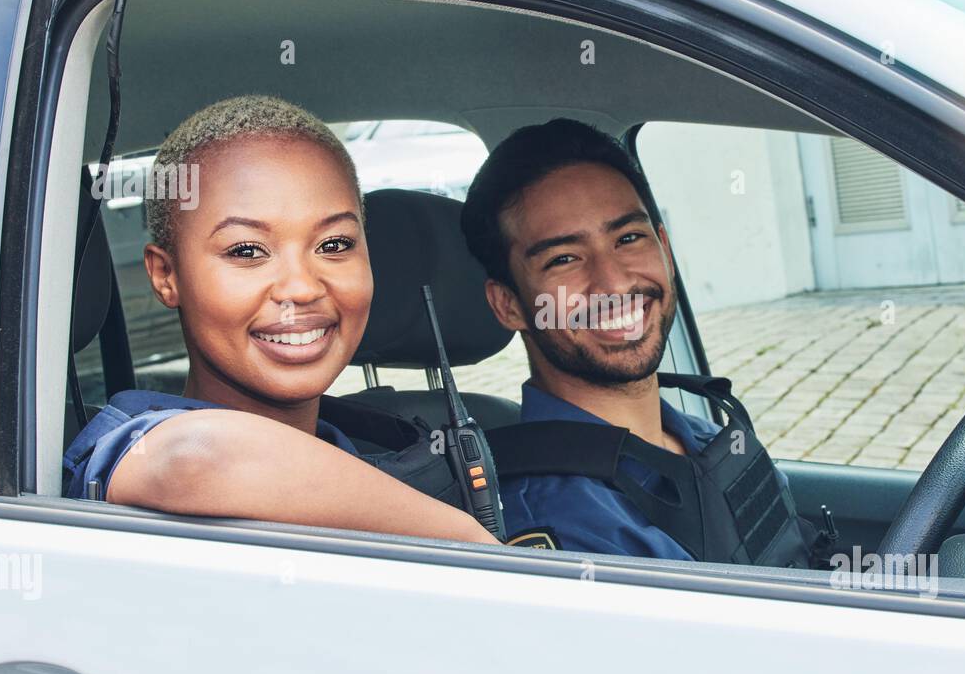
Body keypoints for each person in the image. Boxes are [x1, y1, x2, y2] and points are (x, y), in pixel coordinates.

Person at [63, 95, 496, 545]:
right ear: (166, 275)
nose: (302, 288)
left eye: (334, 244)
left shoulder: (370, 447)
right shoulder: (133, 442)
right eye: (246, 251)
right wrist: (478, 546)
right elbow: (199, 460)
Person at [461, 118, 822, 563]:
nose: (612, 282)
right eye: (564, 258)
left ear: (664, 247)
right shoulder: (558, 524)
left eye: (628, 238)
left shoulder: (710, 438)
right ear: (508, 304)